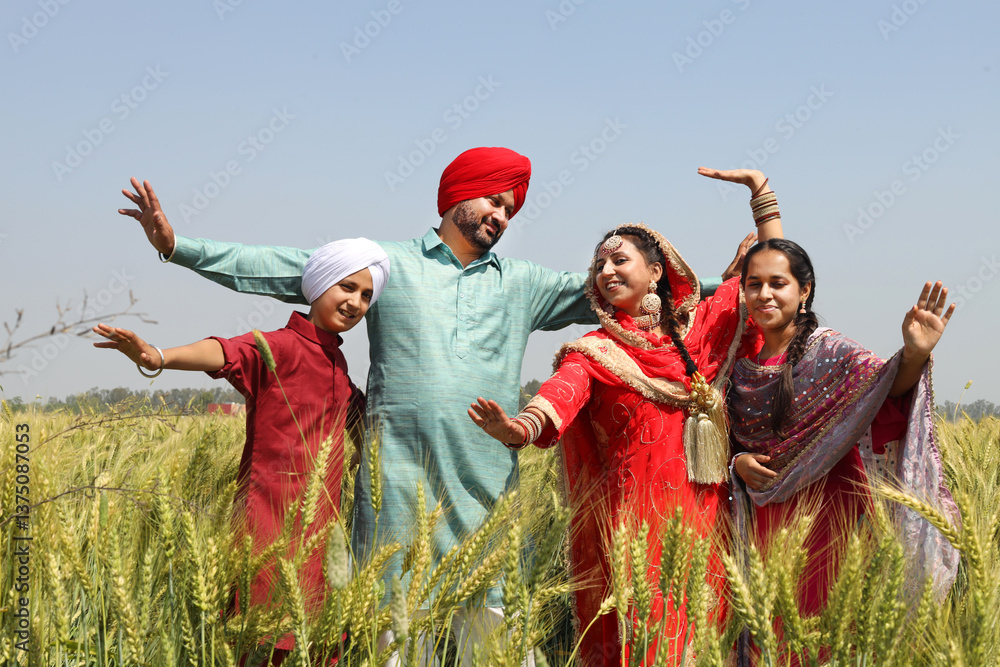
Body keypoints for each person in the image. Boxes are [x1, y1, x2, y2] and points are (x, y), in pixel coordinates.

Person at [118, 148, 744, 665]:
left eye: (508, 207)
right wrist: (180, 247)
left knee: (493, 643)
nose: (500, 214)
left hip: (486, 492)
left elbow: (629, 285)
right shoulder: (385, 267)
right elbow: (285, 267)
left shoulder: (523, 284)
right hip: (395, 490)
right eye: (491, 200)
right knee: (396, 640)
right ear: (453, 198)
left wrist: (746, 281)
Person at [469, 169, 782, 665]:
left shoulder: (702, 334)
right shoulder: (594, 352)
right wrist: (519, 428)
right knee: (647, 636)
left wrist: (763, 199)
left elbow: (772, 277)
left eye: (619, 259)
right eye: (599, 266)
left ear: (658, 272)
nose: (606, 272)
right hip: (634, 522)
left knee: (704, 634)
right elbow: (561, 394)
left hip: (706, 511)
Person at [93, 238, 390, 664]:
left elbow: (361, 417)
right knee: (264, 640)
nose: (356, 302)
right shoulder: (280, 346)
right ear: (319, 284)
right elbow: (223, 351)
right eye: (347, 287)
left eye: (366, 295)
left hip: (322, 531)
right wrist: (157, 355)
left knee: (315, 644)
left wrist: (364, 456)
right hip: (268, 525)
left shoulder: (337, 365)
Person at [727, 239, 961, 665]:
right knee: (768, 633)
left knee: (825, 634)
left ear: (805, 290)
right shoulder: (738, 364)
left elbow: (885, 394)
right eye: (754, 284)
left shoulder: (831, 351)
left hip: (830, 518)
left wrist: (914, 353)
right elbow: (727, 442)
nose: (764, 294)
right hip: (762, 522)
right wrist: (737, 462)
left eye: (778, 283)